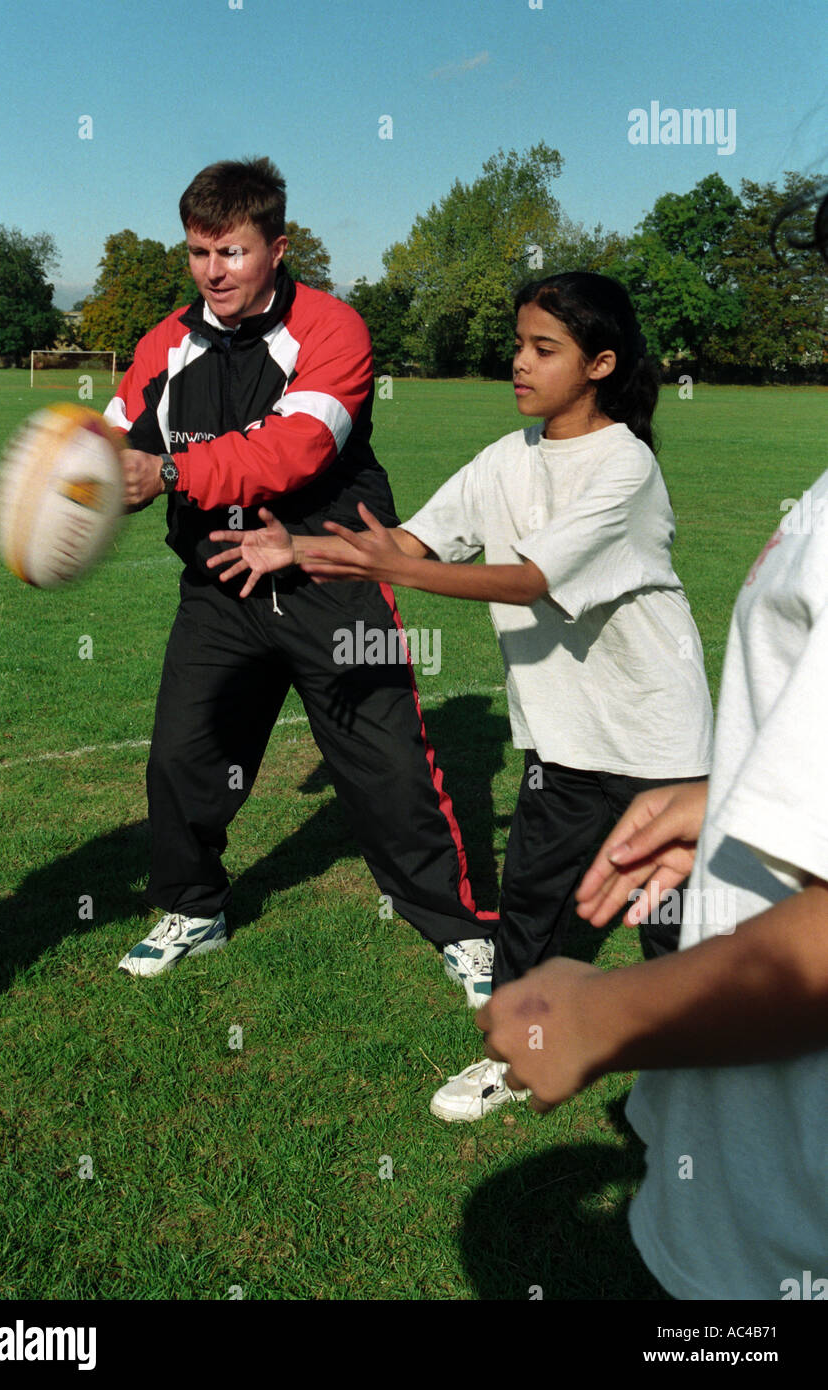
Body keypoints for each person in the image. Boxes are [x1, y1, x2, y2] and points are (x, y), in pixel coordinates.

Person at [209, 272, 713, 1121]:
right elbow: (411, 537)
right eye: (517, 344)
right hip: (560, 737)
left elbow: (527, 580)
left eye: (541, 349)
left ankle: (702, 1091)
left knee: (669, 926)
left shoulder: (623, 466)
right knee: (528, 909)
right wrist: (296, 548)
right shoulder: (504, 459)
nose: (518, 363)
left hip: (656, 740)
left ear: (599, 364)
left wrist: (393, 567)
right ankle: (516, 1060)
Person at [471, 183, 828, 1298]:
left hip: (783, 1247)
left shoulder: (623, 462)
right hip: (753, 1202)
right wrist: (731, 798)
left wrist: (600, 1014)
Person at [105, 156, 496, 986]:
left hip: (331, 574)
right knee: (182, 757)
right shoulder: (162, 345)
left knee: (390, 771)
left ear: (276, 248)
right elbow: (114, 447)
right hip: (219, 585)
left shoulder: (331, 329)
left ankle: (460, 930)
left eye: (232, 253)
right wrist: (79, 483)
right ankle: (194, 909)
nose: (213, 272)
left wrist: (170, 474)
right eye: (198, 253)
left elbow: (296, 449)